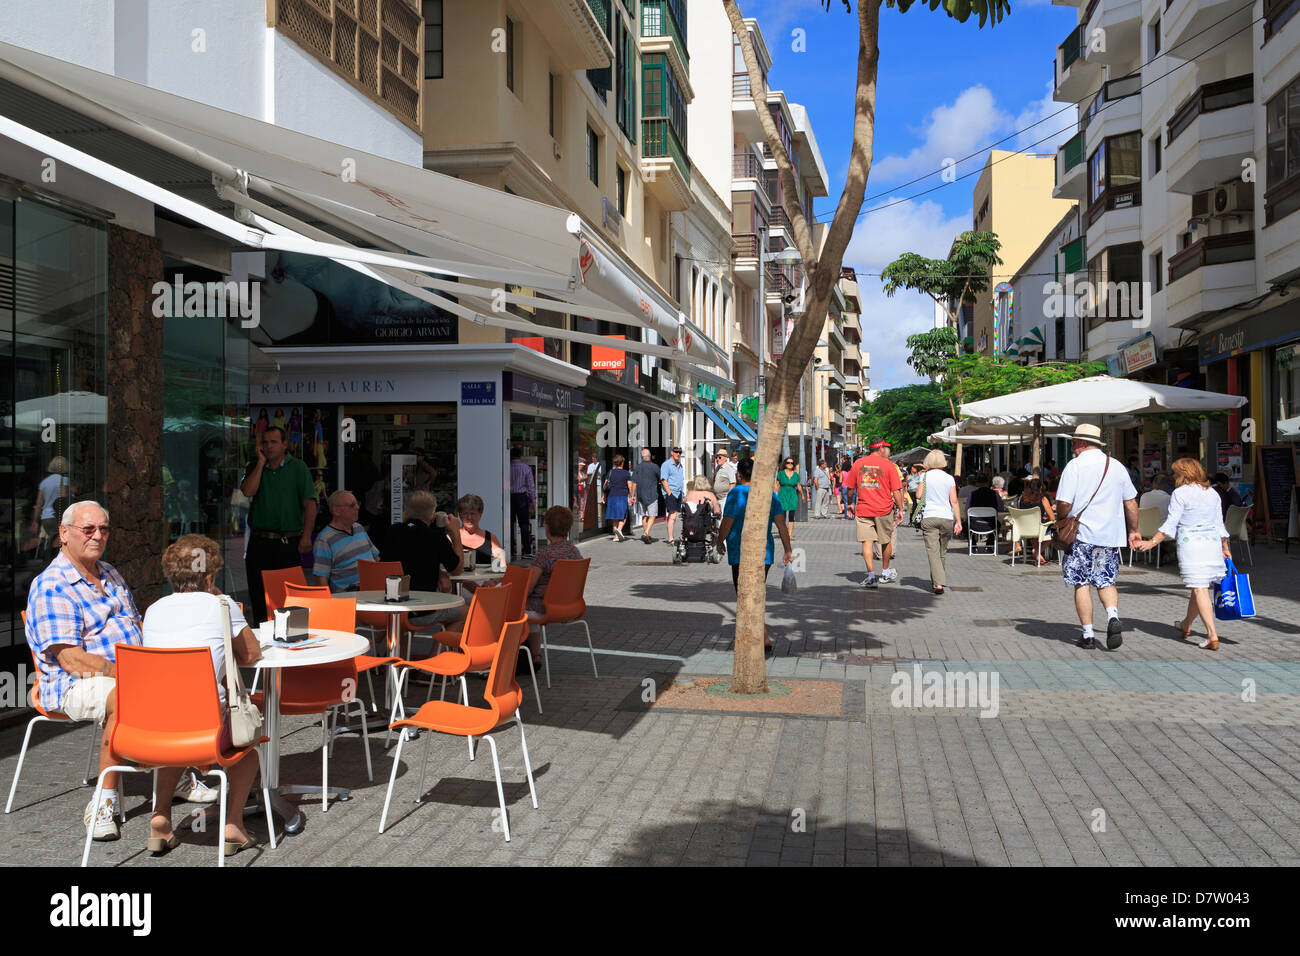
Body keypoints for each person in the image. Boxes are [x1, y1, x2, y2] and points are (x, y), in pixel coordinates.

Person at [25, 502, 144, 842]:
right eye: (88, 529)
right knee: (127, 697)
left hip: (126, 670)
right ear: (63, 534)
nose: (97, 535)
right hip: (71, 684)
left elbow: (135, 623)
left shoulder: (109, 572)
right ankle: (103, 802)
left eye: (104, 529)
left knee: (184, 678)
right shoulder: (52, 585)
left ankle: (175, 772)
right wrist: (132, 673)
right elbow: (72, 660)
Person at [140, 535, 265, 855]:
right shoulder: (220, 605)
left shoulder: (153, 610)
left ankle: (161, 819)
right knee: (248, 751)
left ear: (171, 575)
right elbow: (251, 654)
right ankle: (233, 825)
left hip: (154, 729)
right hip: (207, 731)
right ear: (210, 577)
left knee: (174, 747)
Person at [1055, 424, 1140, 650]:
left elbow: (1063, 503)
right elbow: (1130, 502)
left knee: (1081, 582)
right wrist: (1134, 530)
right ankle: (1112, 616)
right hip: (1108, 537)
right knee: (1105, 580)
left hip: (1081, 536)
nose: (1072, 445)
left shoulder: (1074, 466)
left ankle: (1088, 634)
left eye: (1074, 442)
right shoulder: (1117, 466)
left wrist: (1062, 518)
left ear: (1082, 443)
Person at [1135, 458, 1232, 651]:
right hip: (1211, 543)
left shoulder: (1180, 494)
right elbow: (1219, 523)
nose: (1173, 476)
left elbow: (1170, 525)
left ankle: (1212, 634)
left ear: (1184, 474)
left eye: (1176, 473)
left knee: (1199, 588)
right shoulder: (1212, 493)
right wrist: (1225, 546)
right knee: (1200, 587)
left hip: (1192, 545)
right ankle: (1186, 624)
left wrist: (1151, 542)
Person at [240, 425, 317, 624]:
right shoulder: (254, 466)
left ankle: (291, 637)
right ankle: (261, 638)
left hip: (288, 541)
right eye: (265, 442)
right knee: (258, 593)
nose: (269, 446)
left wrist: (307, 536)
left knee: (289, 595)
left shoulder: (298, 467)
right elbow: (247, 491)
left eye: (274, 442)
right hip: (259, 541)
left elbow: (310, 504)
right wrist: (260, 464)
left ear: (284, 444)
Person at [718, 457, 793, 655]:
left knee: (745, 596)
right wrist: (788, 549)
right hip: (764, 552)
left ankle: (760, 638)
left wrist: (719, 542)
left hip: (740, 551)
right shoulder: (769, 494)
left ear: (739, 474)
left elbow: (727, 521)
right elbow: (781, 525)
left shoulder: (736, 493)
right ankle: (761, 636)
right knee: (753, 594)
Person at [523, 506, 582, 670]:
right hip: (570, 607)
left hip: (544, 608)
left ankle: (501, 660)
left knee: (514, 607)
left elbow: (527, 589)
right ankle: (535, 655)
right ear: (569, 528)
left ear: (547, 527)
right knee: (529, 605)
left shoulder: (544, 554)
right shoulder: (575, 553)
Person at [849, 438, 906, 588]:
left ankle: (871, 576)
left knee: (866, 542)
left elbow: (850, 487)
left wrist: (849, 503)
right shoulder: (889, 465)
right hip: (884, 510)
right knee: (885, 541)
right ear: (880, 448)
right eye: (885, 448)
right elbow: (896, 490)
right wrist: (901, 509)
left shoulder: (858, 464)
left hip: (863, 509)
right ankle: (885, 572)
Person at [383, 490, 463, 598]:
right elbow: (457, 570)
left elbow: (409, 561)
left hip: (394, 602)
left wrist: (439, 572)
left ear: (405, 511)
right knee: (464, 610)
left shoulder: (392, 532)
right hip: (425, 605)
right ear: (433, 515)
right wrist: (456, 532)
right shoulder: (436, 537)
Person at [312, 490, 381, 591]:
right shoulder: (325, 539)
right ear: (336, 511)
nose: (357, 507)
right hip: (349, 595)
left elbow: (376, 558)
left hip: (373, 589)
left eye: (358, 503)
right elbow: (321, 580)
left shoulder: (359, 528)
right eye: (352, 505)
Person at [919, 450, 963, 595]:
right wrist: (958, 521)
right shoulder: (949, 478)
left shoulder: (924, 476)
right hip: (946, 518)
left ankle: (938, 583)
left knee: (933, 551)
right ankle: (938, 581)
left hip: (930, 517)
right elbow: (954, 501)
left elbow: (919, 495)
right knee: (942, 551)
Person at [29, 455, 70, 552]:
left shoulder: (44, 483)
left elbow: (39, 504)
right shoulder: (64, 480)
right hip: (58, 516)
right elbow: (63, 499)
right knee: (59, 542)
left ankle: (48, 559)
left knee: (50, 539)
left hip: (46, 517)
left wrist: (35, 521)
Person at [454, 494, 505, 568]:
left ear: (480, 514)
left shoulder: (491, 539)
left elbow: (501, 567)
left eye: (472, 513)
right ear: (460, 515)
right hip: (458, 579)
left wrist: (494, 580)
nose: (469, 517)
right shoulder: (451, 538)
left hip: (485, 579)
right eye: (465, 513)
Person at [1018, 478, 1057, 566]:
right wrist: (1046, 518)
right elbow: (1052, 518)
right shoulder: (1043, 499)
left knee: (1034, 528)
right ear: (1040, 488)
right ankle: (1036, 552)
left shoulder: (1022, 498)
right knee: (1054, 531)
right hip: (1038, 529)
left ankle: (1037, 554)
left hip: (1024, 528)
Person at [509, 447, 536, 557]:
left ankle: (510, 549)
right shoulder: (526, 468)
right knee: (524, 524)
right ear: (520, 456)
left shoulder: (507, 467)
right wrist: (533, 501)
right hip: (521, 498)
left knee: (509, 525)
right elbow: (530, 486)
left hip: (509, 498)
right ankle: (527, 550)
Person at [632, 448, 661, 544]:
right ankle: (646, 533)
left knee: (644, 516)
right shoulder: (655, 467)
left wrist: (632, 495)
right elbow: (661, 479)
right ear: (649, 456)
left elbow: (634, 483)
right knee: (652, 516)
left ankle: (647, 535)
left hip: (640, 495)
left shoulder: (637, 467)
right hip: (652, 495)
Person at [660, 445, 686, 544]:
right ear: (672, 452)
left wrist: (682, 494)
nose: (678, 454)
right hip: (671, 493)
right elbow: (664, 480)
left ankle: (671, 537)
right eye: (676, 452)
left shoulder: (680, 465)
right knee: (673, 515)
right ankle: (670, 538)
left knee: (673, 516)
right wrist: (669, 493)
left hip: (679, 493)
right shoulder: (666, 465)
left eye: (680, 452)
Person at [603, 455, 632, 541]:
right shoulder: (626, 473)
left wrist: (603, 496)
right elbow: (630, 486)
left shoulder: (610, 472)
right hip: (622, 496)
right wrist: (631, 496)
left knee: (614, 516)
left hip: (612, 496)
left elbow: (605, 486)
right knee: (623, 516)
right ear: (622, 463)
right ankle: (619, 530)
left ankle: (616, 536)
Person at [775, 457, 806, 537]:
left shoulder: (796, 475)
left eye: (792, 463)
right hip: (783, 494)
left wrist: (802, 495)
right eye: (788, 463)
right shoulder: (781, 474)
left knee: (791, 515)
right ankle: (783, 532)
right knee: (783, 515)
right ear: (785, 464)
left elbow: (798, 486)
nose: (790, 464)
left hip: (792, 495)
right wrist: (774, 495)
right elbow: (777, 485)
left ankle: (790, 534)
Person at [840, 456, 856, 520]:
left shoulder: (842, 472)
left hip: (844, 487)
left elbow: (840, 481)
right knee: (853, 502)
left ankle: (847, 516)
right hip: (852, 487)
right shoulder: (852, 472)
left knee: (846, 502)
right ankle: (853, 516)